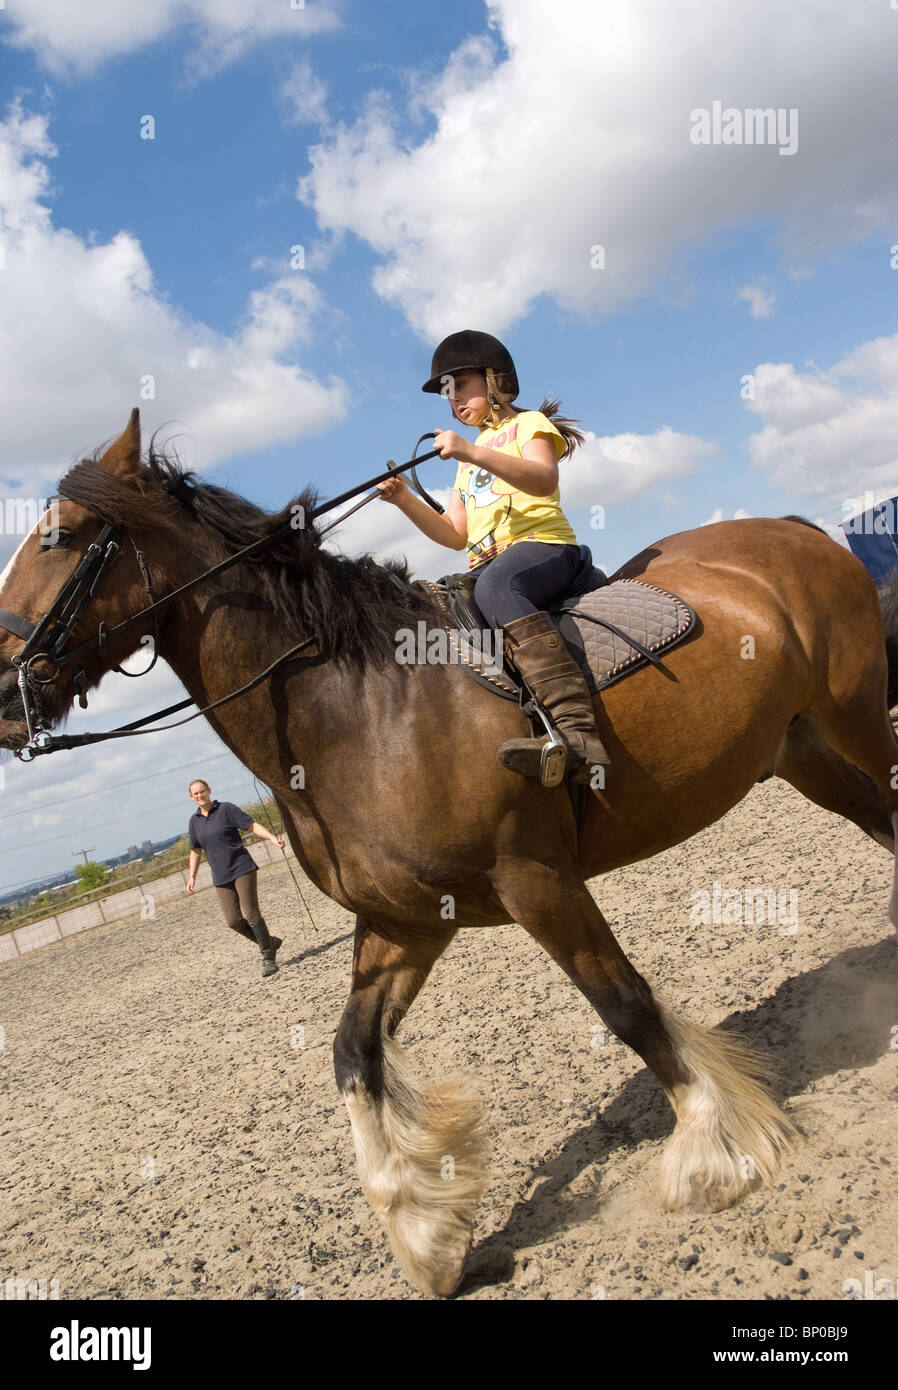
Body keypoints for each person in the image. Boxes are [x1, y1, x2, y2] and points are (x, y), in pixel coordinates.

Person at [377, 328, 610, 783]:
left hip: (544, 547)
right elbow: (455, 535)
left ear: (495, 380)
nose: (453, 400)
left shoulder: (529, 427)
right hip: (486, 561)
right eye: (447, 395)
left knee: (496, 585)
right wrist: (404, 499)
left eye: (459, 386)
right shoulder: (466, 463)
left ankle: (579, 733)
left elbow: (544, 480)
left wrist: (473, 450)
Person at [186, 779, 285, 978]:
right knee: (233, 921)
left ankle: (268, 957)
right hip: (221, 876)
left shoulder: (226, 809)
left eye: (202, 791)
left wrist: (272, 839)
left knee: (251, 913)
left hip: (242, 868)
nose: (199, 796)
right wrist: (192, 876)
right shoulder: (194, 821)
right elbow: (195, 851)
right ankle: (269, 942)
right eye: (195, 794)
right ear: (191, 797)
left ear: (209, 790)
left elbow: (252, 826)